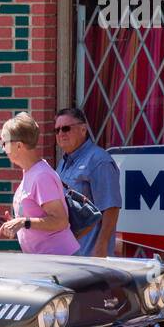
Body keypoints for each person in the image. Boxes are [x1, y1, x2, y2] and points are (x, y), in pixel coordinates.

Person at [0, 112, 79, 256]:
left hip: (59, 260)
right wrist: (15, 223)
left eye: (5, 143)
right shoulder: (31, 172)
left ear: (19, 145)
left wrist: (23, 222)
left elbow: (60, 221)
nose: (3, 149)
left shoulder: (41, 176)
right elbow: (35, 217)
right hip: (45, 260)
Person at [53, 106, 122, 257]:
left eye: (65, 128)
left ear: (83, 130)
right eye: (57, 130)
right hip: (67, 254)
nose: (60, 134)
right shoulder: (63, 163)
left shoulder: (99, 161)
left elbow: (111, 208)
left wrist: (101, 245)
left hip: (89, 255)